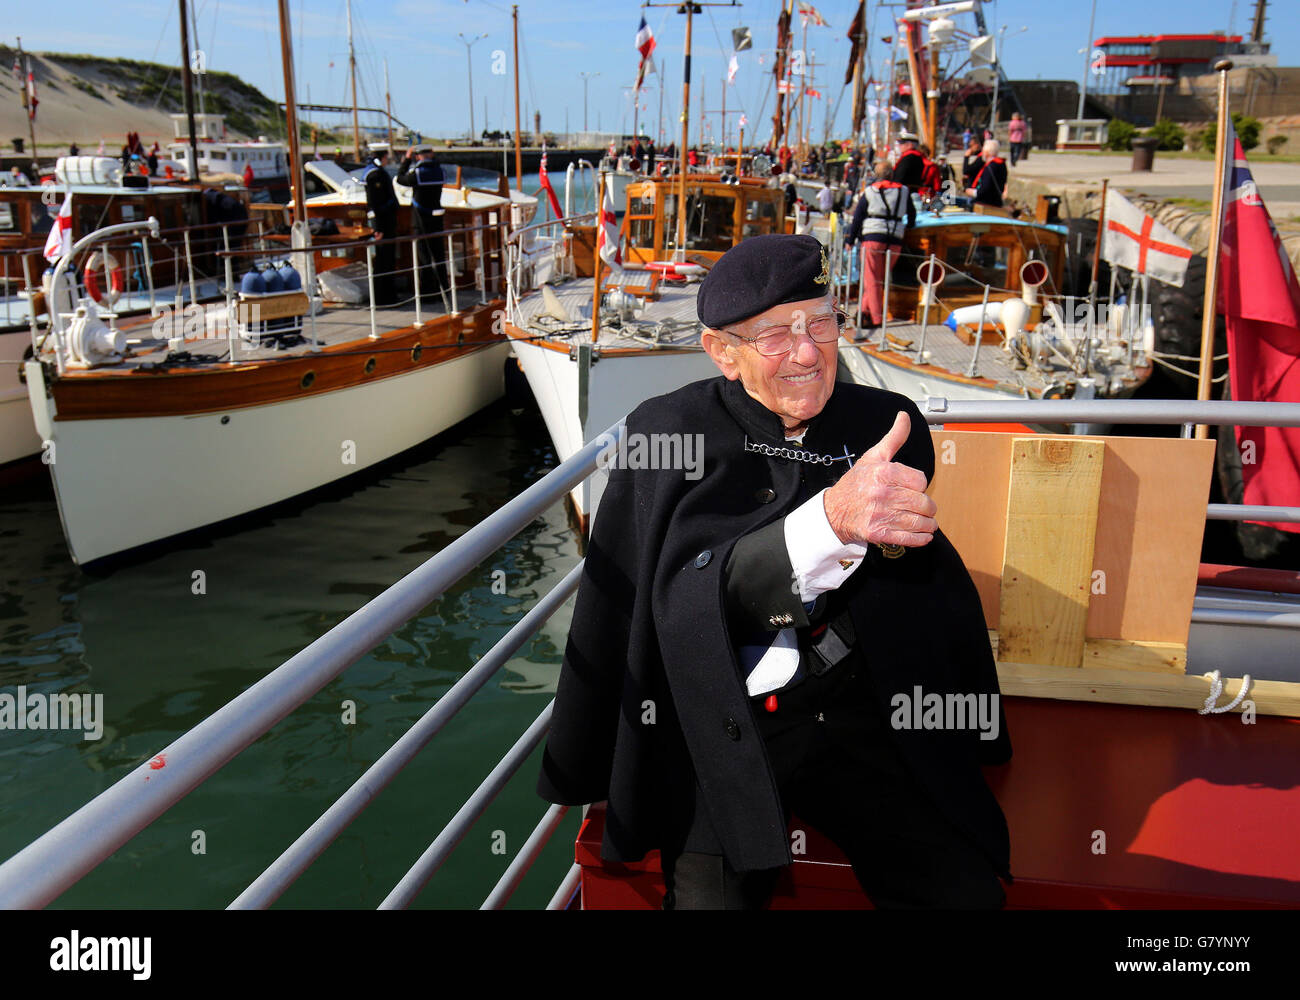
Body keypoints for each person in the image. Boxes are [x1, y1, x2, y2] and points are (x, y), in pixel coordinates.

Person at [537, 233, 1012, 910]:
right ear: (722, 353)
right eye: (774, 335)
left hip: (858, 714)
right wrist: (831, 522)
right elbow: (678, 602)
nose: (808, 351)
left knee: (964, 896)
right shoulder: (665, 435)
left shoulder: (889, 423)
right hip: (721, 726)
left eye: (821, 321)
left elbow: (911, 578)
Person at [847, 160, 915, 327]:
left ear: (876, 176)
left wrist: (850, 240)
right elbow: (911, 215)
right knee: (879, 279)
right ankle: (863, 312)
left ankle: (877, 319)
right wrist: (908, 226)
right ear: (891, 174)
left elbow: (858, 217)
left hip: (873, 238)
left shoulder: (870, 192)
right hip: (895, 240)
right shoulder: (904, 191)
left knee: (871, 278)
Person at [395, 144, 448, 297]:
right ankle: (444, 289)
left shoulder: (416, 174)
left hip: (421, 219)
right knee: (439, 255)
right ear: (431, 154)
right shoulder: (440, 172)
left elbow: (400, 178)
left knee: (424, 257)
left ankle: (428, 293)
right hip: (437, 218)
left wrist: (406, 160)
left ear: (417, 156)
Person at [363, 143, 399, 305]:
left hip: (387, 222)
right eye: (386, 157)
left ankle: (387, 294)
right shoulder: (374, 175)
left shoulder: (377, 172)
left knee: (387, 260)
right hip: (383, 224)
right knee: (383, 261)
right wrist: (377, 228)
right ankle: (382, 297)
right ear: (382, 157)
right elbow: (373, 204)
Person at [967, 139, 1008, 208]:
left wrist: (973, 192)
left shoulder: (991, 167)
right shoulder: (1001, 164)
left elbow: (986, 188)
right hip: (996, 201)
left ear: (986, 152)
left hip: (986, 203)